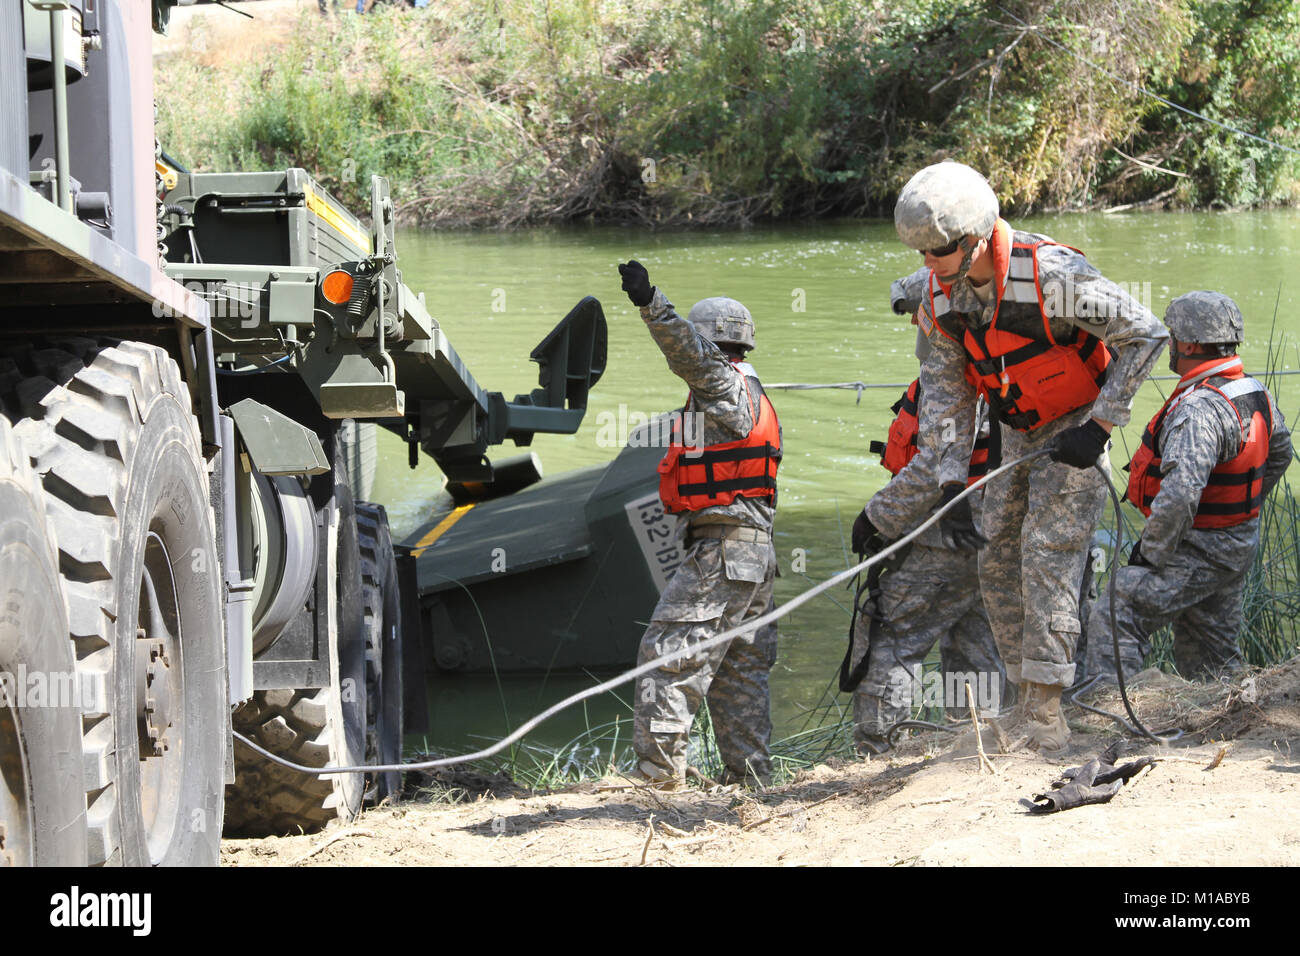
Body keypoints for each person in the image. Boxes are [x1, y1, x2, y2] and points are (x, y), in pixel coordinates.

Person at [896, 161, 1167, 753]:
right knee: (996, 557)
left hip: (1076, 429)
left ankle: (1047, 712)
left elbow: (1146, 334)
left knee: (1048, 553)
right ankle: (1024, 702)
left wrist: (1100, 426)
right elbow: (946, 392)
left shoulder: (1053, 277)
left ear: (974, 237)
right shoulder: (938, 298)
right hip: (1017, 432)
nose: (929, 265)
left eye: (939, 251)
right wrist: (949, 483)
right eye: (921, 254)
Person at [617, 259, 781, 789]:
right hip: (755, 559)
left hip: (725, 554)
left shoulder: (722, 386)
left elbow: (687, 353)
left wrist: (650, 304)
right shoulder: (748, 392)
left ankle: (659, 780)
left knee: (666, 658)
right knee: (740, 673)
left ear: (712, 345)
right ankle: (750, 781)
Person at [1084, 291, 1292, 683]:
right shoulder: (1253, 391)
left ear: (1191, 345)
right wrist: (1242, 510)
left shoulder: (1198, 410)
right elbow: (1281, 454)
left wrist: (1150, 553)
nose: (1170, 347)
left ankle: (1107, 704)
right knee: (1212, 648)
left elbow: (1180, 495)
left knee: (1120, 603)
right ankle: (1224, 709)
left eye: (1174, 337)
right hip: (1238, 544)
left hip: (1199, 549)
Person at [846, 269, 1004, 754]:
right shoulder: (1001, 368)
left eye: (916, 313)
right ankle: (974, 744)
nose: (914, 323)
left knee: (894, 635)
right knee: (976, 642)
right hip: (992, 536)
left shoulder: (955, 381)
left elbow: (934, 465)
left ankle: (877, 752)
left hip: (948, 536)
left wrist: (875, 520)